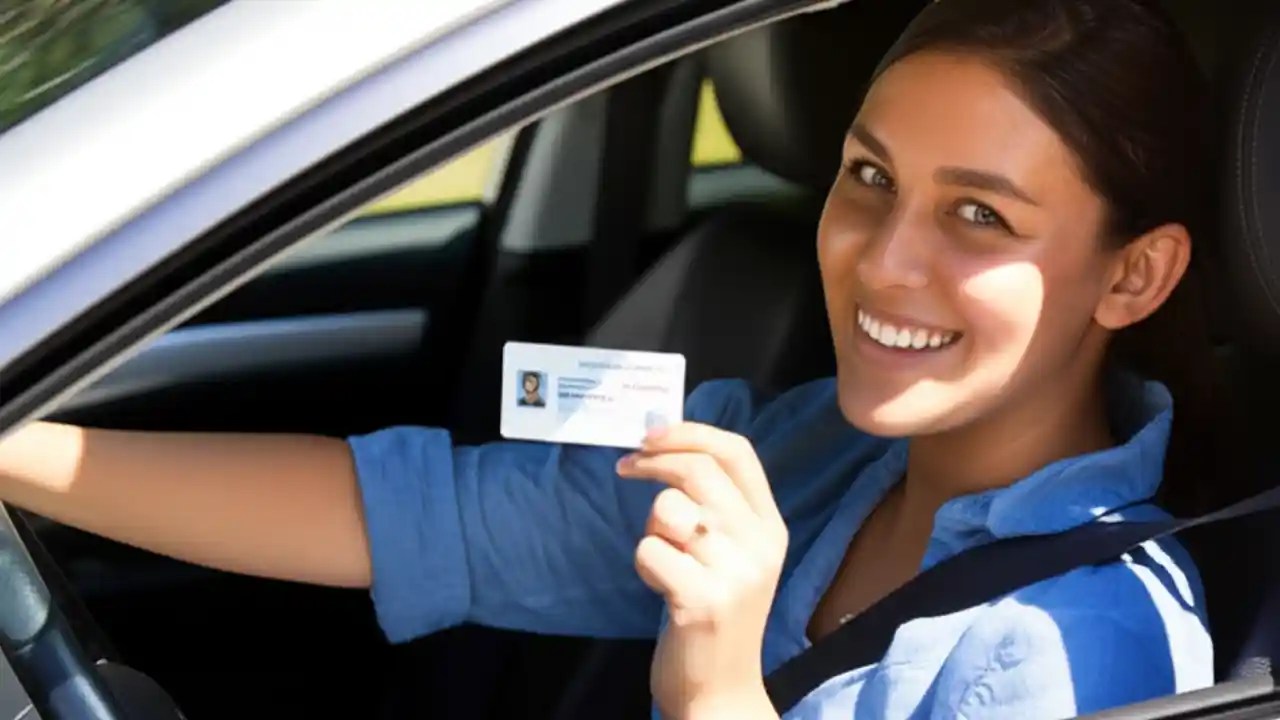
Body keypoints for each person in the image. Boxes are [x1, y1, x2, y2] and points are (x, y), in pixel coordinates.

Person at [0, 0, 1228, 716]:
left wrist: (713, 672)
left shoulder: (1084, 645)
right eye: (867, 178)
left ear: (1133, 274)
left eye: (978, 216)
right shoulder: (811, 451)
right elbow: (439, 519)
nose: (881, 259)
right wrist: (18, 441)